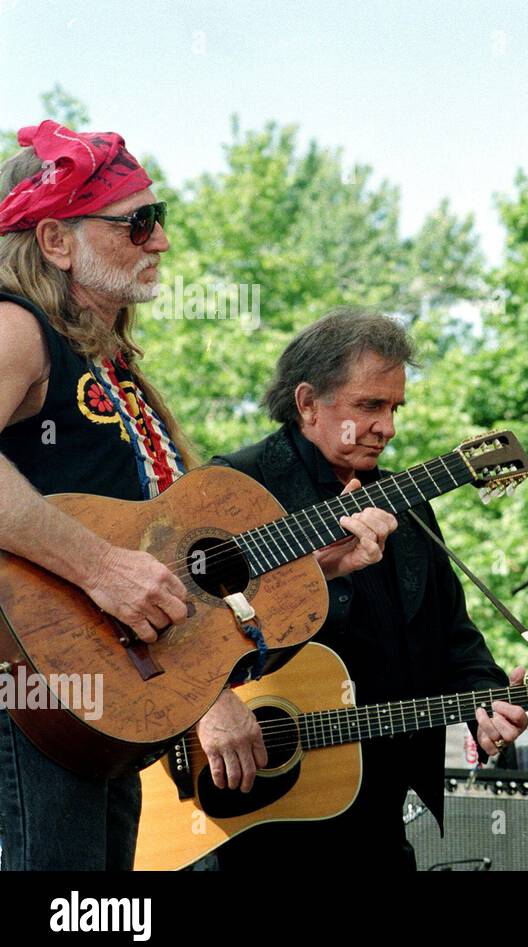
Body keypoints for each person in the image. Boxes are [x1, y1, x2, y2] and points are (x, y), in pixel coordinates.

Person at [0, 122, 394, 870]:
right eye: (137, 222)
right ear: (55, 240)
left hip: (106, 702)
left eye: (159, 218)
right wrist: (99, 568)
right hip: (30, 690)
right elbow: (113, 564)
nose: (161, 241)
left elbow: (164, 565)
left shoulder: (107, 364)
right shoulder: (16, 326)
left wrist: (305, 562)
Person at [210, 308, 528, 871]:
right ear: (308, 403)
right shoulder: (236, 486)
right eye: (369, 406)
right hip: (256, 810)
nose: (388, 427)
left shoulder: (408, 503)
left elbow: (454, 636)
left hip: (379, 810)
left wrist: (487, 699)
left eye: (394, 408)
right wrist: (212, 705)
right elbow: (178, 626)